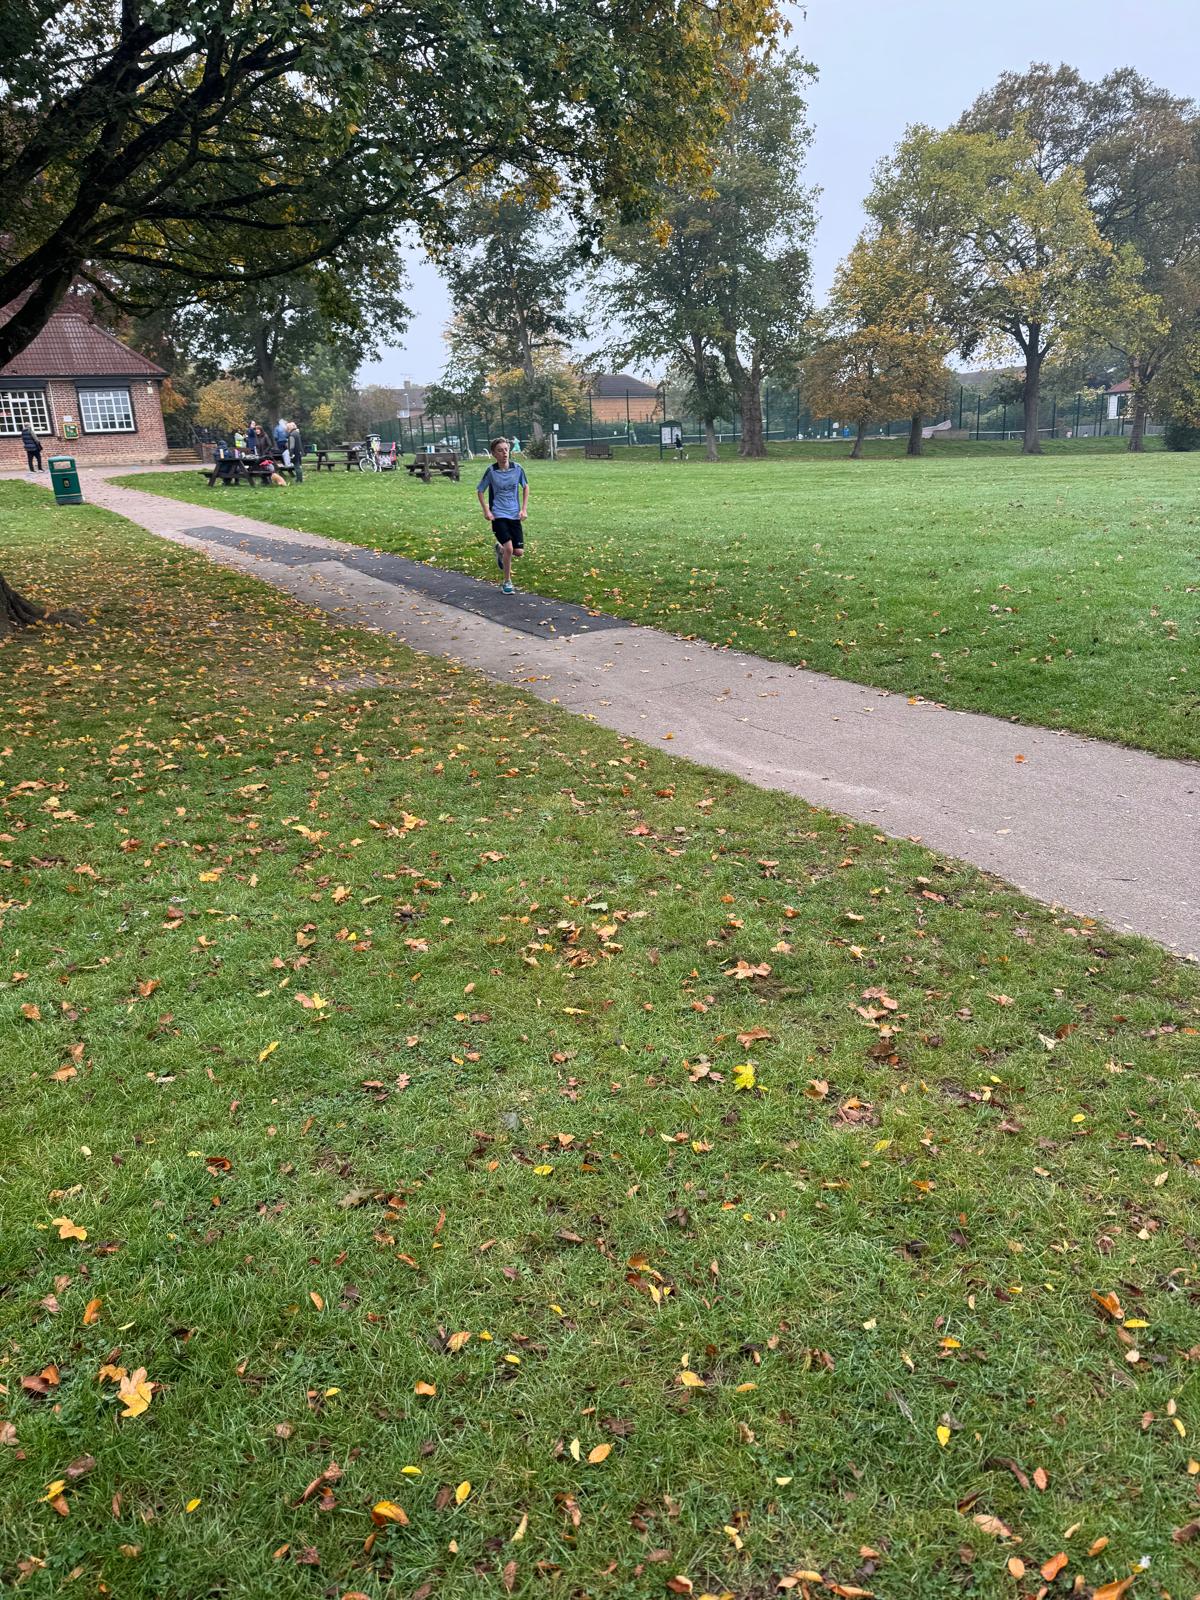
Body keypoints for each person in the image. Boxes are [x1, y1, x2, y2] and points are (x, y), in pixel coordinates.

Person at [476, 435, 528, 595]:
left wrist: (524, 509)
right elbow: (480, 490)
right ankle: (507, 582)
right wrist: (487, 510)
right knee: (510, 549)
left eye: (506, 449)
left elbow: (526, 487)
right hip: (498, 514)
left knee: (518, 552)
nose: (504, 453)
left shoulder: (517, 468)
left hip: (514, 514)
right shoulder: (491, 471)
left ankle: (499, 550)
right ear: (494, 454)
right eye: (500, 451)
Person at [286, 418, 304, 483]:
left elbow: (291, 446)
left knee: (296, 467)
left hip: (294, 453)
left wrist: (291, 454)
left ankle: (299, 480)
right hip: (298, 451)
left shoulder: (292, 435)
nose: (287, 430)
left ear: (289, 428)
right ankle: (300, 479)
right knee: (298, 466)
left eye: (287, 429)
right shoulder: (296, 433)